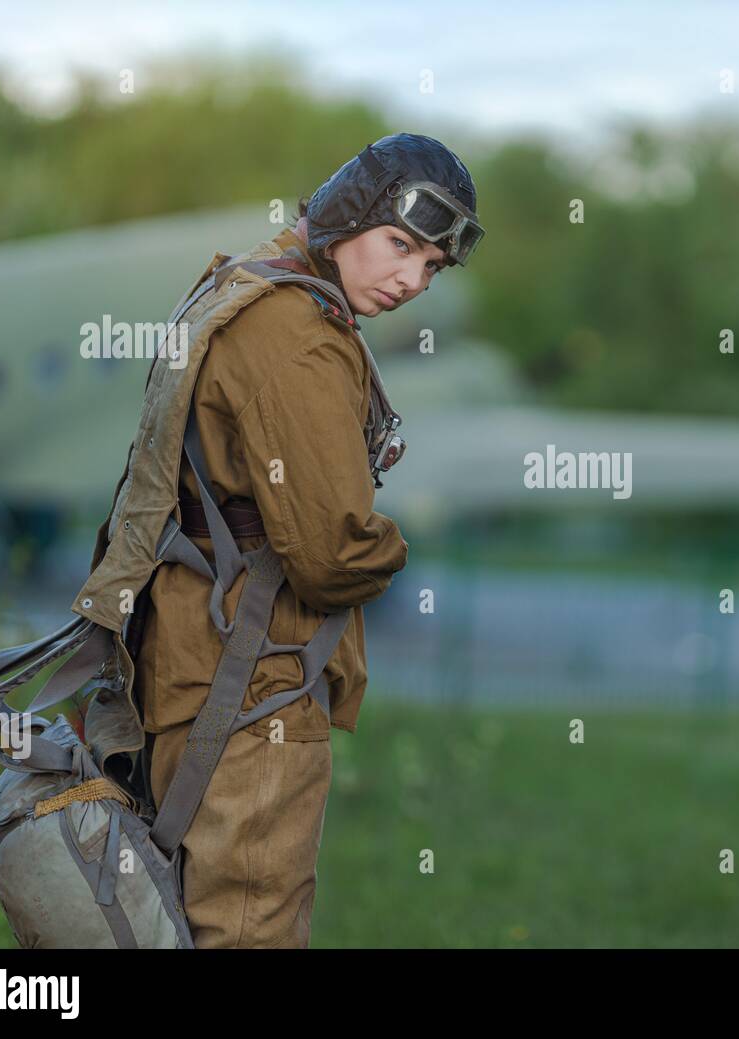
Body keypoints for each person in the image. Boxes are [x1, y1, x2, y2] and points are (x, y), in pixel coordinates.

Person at [134, 132, 484, 948]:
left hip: (199, 661)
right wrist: (390, 548)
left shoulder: (244, 283)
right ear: (344, 217)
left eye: (431, 266)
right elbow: (333, 554)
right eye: (400, 245)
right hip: (256, 686)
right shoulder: (298, 334)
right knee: (250, 927)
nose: (410, 279)